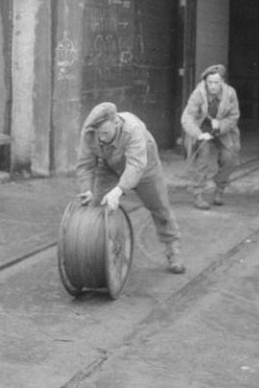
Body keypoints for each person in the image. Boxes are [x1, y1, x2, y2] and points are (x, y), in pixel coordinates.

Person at [76, 102, 185, 274]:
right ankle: (99, 253)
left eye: (105, 133)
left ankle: (173, 248)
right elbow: (85, 166)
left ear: (116, 123)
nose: (101, 138)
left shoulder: (133, 129)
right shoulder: (89, 132)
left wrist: (118, 191)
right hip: (110, 164)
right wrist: (87, 189)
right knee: (98, 208)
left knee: (160, 208)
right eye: (98, 134)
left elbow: (136, 166)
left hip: (144, 166)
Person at [181, 64, 240, 210]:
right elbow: (187, 118)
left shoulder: (230, 93)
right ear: (205, 82)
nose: (213, 86)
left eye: (216, 82)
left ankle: (219, 189)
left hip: (223, 129)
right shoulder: (198, 93)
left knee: (229, 157)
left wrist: (219, 125)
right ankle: (198, 194)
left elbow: (233, 116)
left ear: (222, 82)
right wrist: (199, 134)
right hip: (201, 128)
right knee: (203, 154)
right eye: (210, 83)